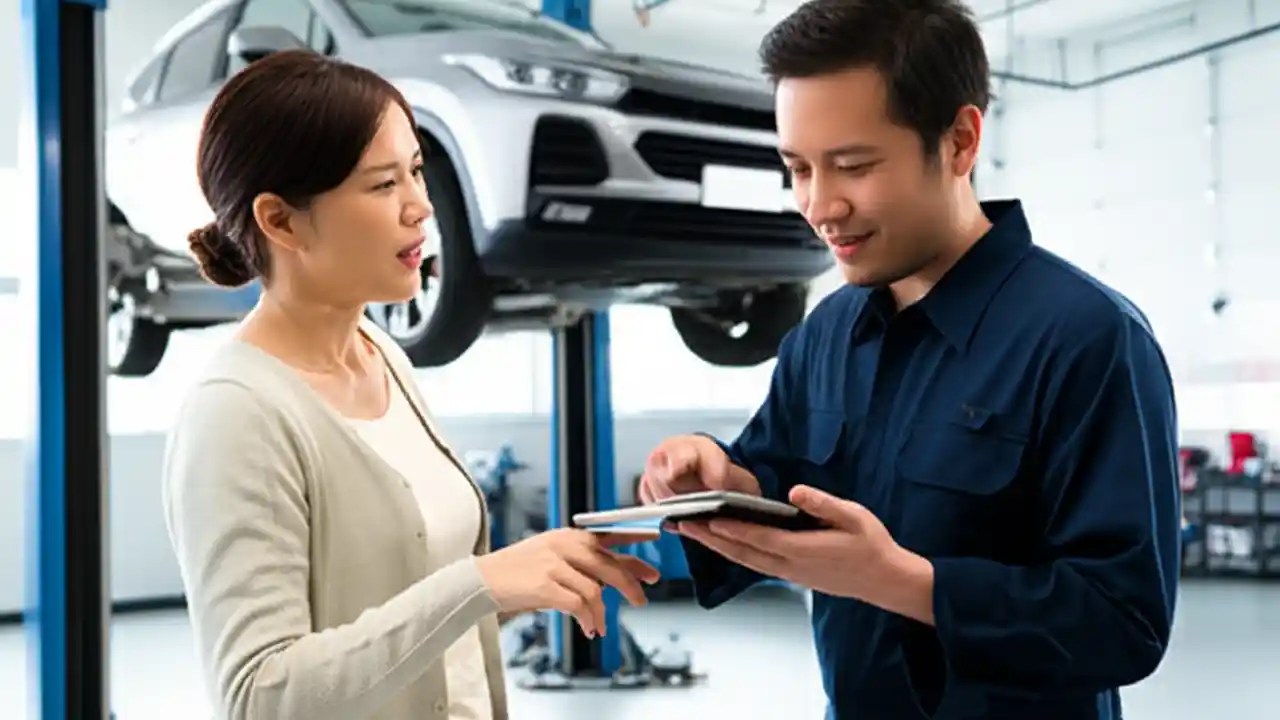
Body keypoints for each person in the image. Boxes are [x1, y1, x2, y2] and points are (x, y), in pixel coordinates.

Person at [638, 1, 1181, 718]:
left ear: (959, 142)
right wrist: (716, 476)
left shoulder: (1088, 339)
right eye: (797, 168)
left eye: (853, 166)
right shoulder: (825, 334)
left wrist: (900, 581)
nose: (819, 206)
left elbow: (1123, 620)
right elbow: (776, 480)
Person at [161, 49, 659, 720]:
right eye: (382, 185)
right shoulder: (236, 413)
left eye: (417, 171)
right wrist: (478, 584)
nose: (421, 206)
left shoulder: (383, 357)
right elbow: (260, 695)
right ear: (280, 220)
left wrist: (530, 576)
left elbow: (416, 621)